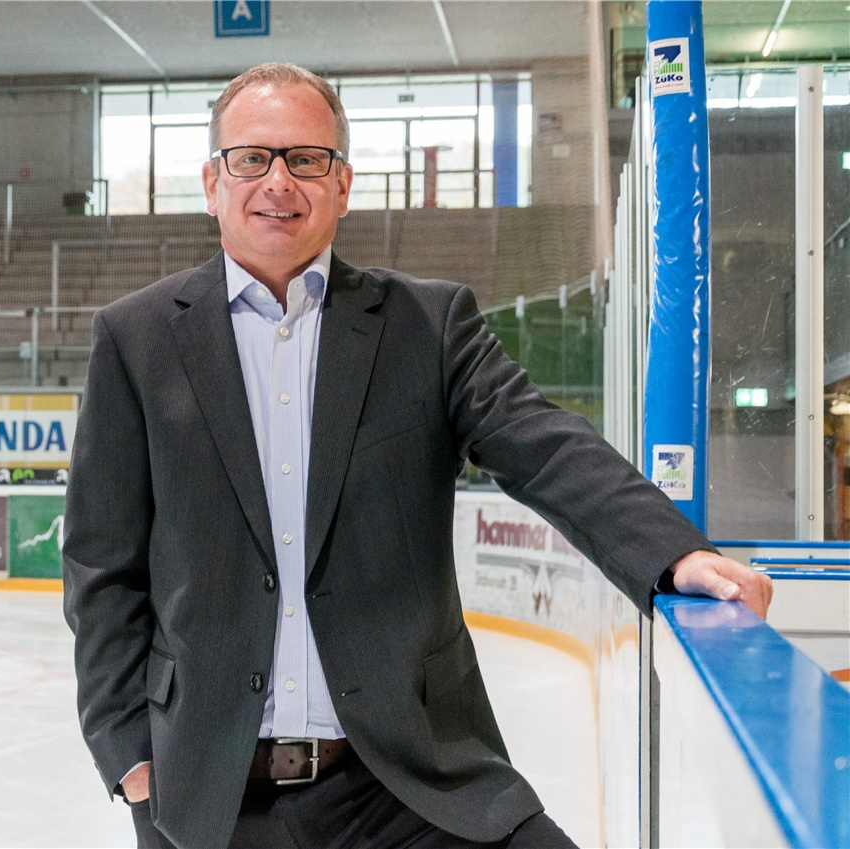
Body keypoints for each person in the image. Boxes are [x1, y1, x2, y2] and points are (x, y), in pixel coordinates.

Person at [62, 63, 772, 849]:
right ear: (211, 181)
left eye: (306, 159)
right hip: (213, 797)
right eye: (252, 157)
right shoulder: (136, 340)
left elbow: (541, 444)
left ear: (341, 184)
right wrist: (126, 752)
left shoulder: (427, 325)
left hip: (410, 784)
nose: (278, 181)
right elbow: (102, 562)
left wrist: (672, 554)